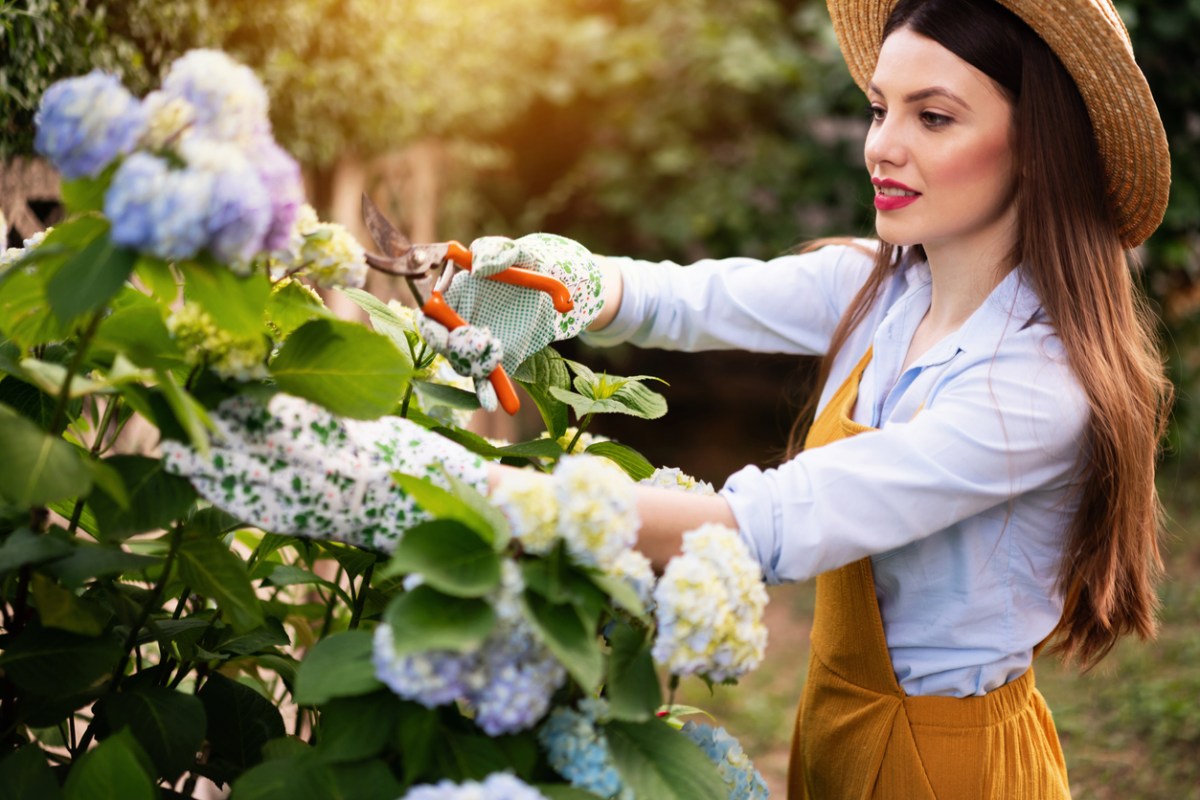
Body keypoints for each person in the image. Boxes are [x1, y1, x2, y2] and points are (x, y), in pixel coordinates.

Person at [167, 0, 1172, 796]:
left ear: (1039, 145)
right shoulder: (880, 287)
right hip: (835, 716)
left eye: (933, 115)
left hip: (952, 768)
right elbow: (689, 296)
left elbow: (766, 523)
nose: (881, 145)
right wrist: (563, 280)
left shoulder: (1036, 392)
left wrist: (446, 483)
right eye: (878, 106)